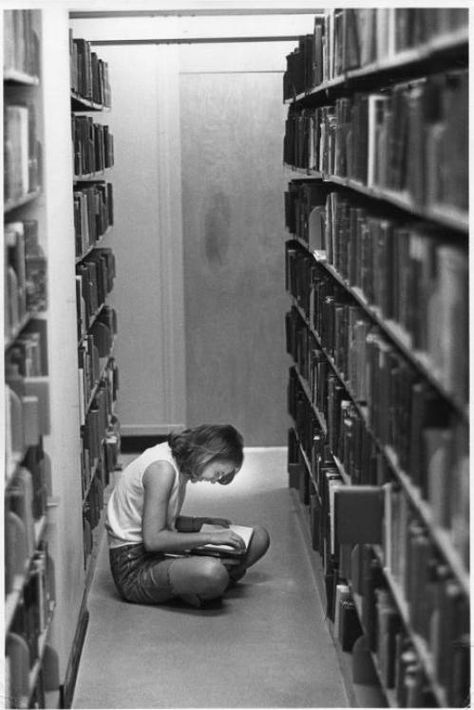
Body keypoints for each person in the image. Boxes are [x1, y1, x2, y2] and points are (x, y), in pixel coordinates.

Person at [105, 424, 270, 608]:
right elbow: (153, 539)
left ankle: (195, 585)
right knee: (213, 573)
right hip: (135, 568)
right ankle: (199, 584)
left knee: (259, 537)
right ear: (208, 454)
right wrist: (210, 537)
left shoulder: (179, 465)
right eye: (218, 473)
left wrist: (201, 523)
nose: (215, 481)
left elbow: (164, 520)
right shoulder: (162, 470)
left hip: (159, 554)